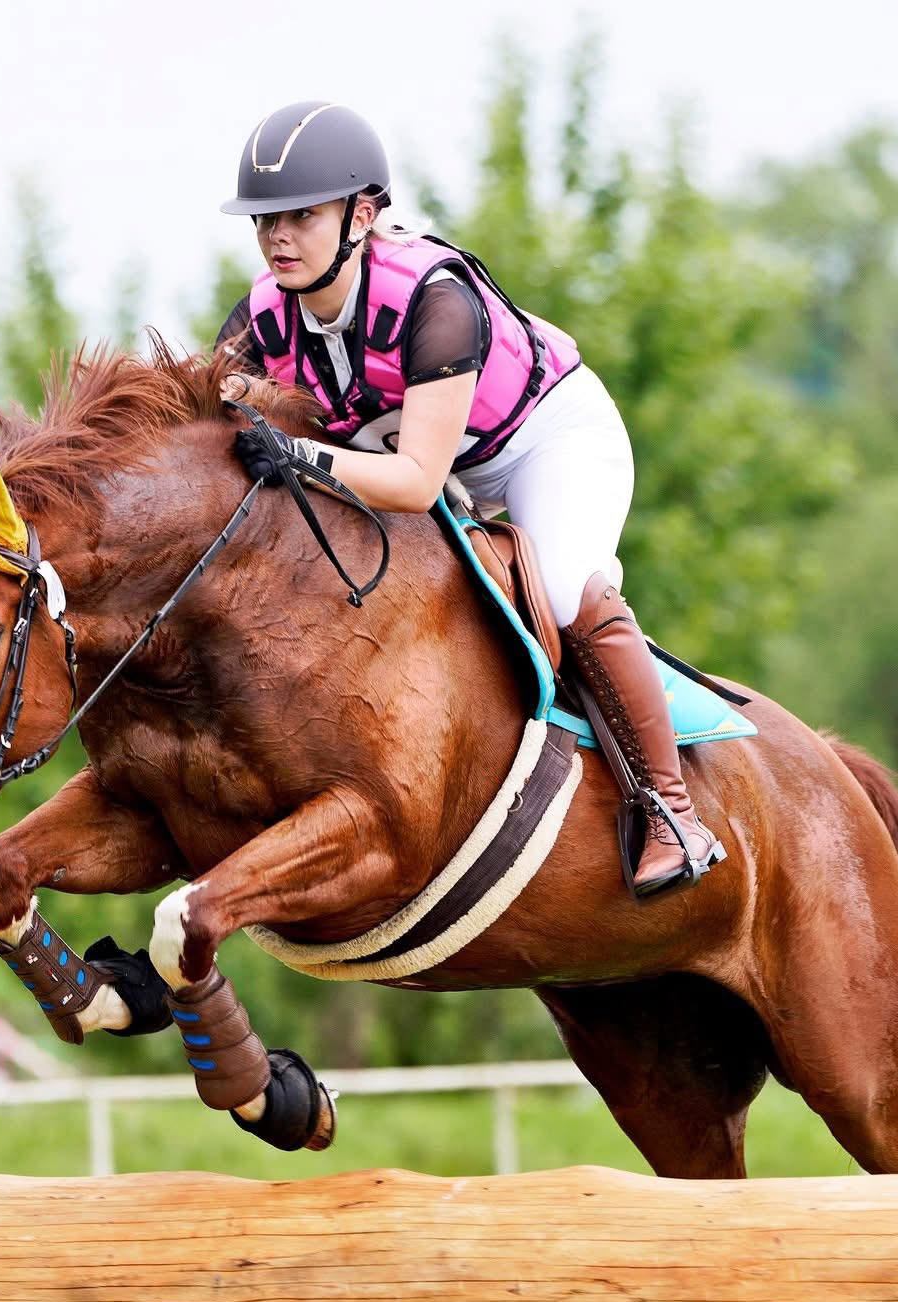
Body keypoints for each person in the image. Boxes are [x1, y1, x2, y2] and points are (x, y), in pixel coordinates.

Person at [214, 100, 724, 897]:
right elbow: (217, 418)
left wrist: (300, 454)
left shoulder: (433, 301)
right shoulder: (261, 315)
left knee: (559, 588)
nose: (278, 237)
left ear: (363, 213)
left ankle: (670, 812)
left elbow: (417, 484)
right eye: (265, 220)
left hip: (542, 442)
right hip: (429, 463)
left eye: (301, 216)